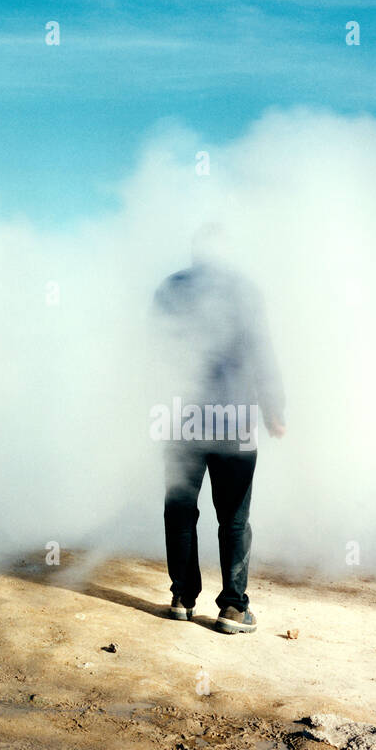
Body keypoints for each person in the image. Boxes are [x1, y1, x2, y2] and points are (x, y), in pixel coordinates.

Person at [149, 224, 285, 633]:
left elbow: (152, 352)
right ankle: (232, 608)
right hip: (234, 421)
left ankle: (182, 598)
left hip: (179, 418)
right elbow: (261, 350)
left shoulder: (169, 289)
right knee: (235, 519)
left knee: (180, 512)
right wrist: (274, 409)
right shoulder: (244, 290)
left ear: (195, 253)